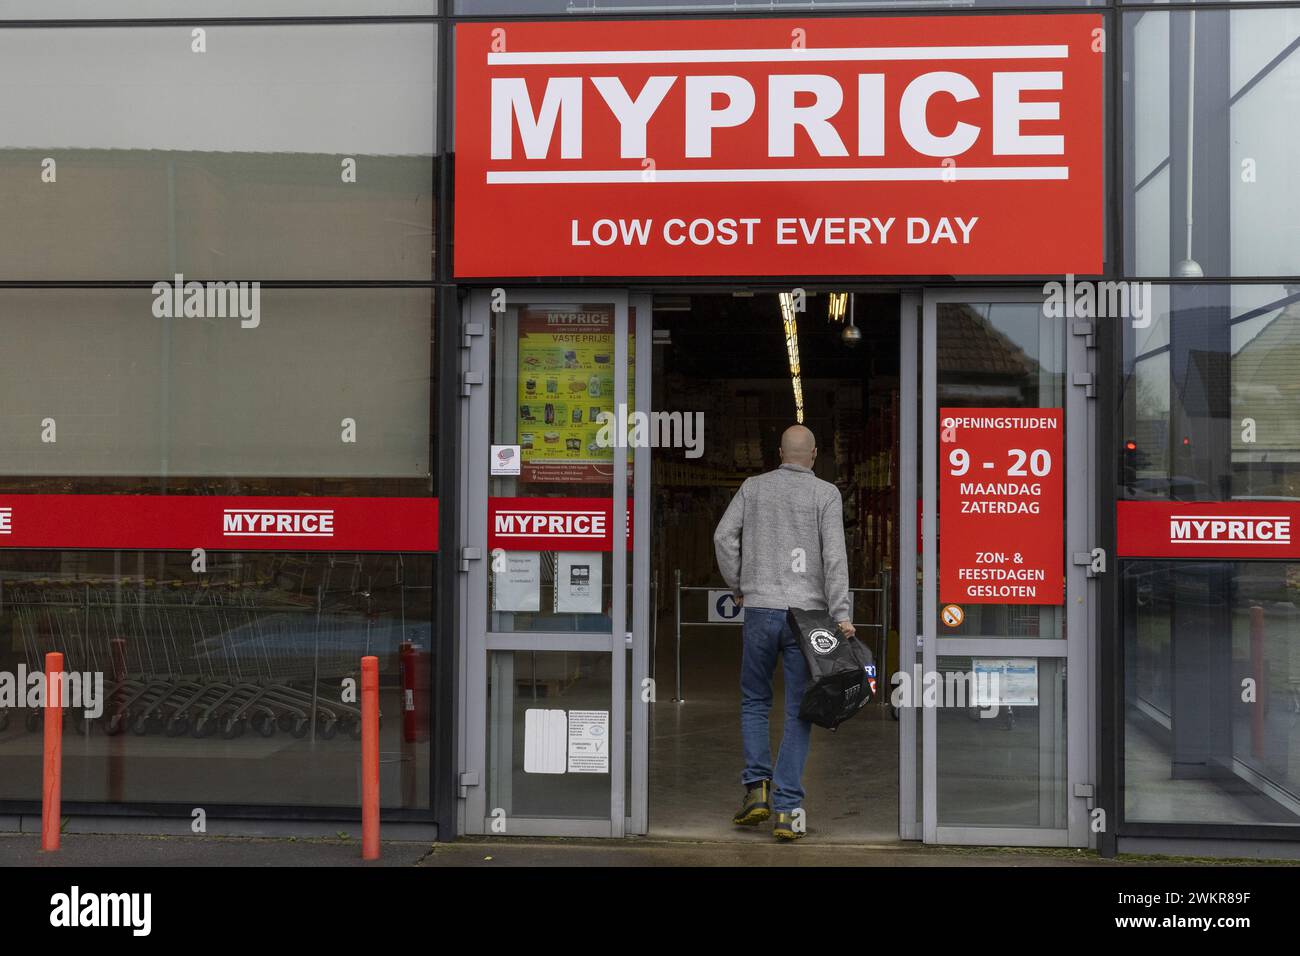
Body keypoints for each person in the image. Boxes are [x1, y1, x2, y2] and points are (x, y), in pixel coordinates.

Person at [712, 424, 853, 841]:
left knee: (755, 700)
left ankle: (756, 790)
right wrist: (841, 613)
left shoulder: (753, 488)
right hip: (807, 617)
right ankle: (788, 810)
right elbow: (835, 557)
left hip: (759, 610)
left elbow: (723, 536)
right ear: (813, 454)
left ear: (779, 453)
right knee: (799, 709)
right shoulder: (826, 494)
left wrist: (738, 585)